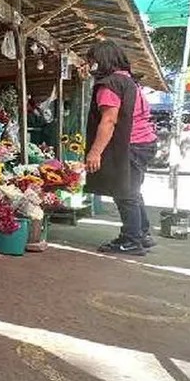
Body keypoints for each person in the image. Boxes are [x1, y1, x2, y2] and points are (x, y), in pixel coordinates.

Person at [83, 40, 157, 255]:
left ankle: (131, 240)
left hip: (131, 144)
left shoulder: (110, 85)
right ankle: (141, 233)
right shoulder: (128, 80)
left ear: (102, 61)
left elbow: (108, 120)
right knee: (133, 190)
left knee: (124, 192)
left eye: (92, 62)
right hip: (144, 142)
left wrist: (95, 152)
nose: (91, 67)